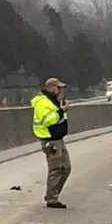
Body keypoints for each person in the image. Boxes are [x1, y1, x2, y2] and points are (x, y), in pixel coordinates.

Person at [32, 77, 71, 209]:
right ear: (51, 88)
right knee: (56, 169)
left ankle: (52, 195)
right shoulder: (42, 102)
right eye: (58, 88)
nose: (60, 90)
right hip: (50, 140)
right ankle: (52, 199)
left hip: (58, 139)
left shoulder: (54, 101)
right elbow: (47, 120)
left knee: (66, 168)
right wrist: (62, 111)